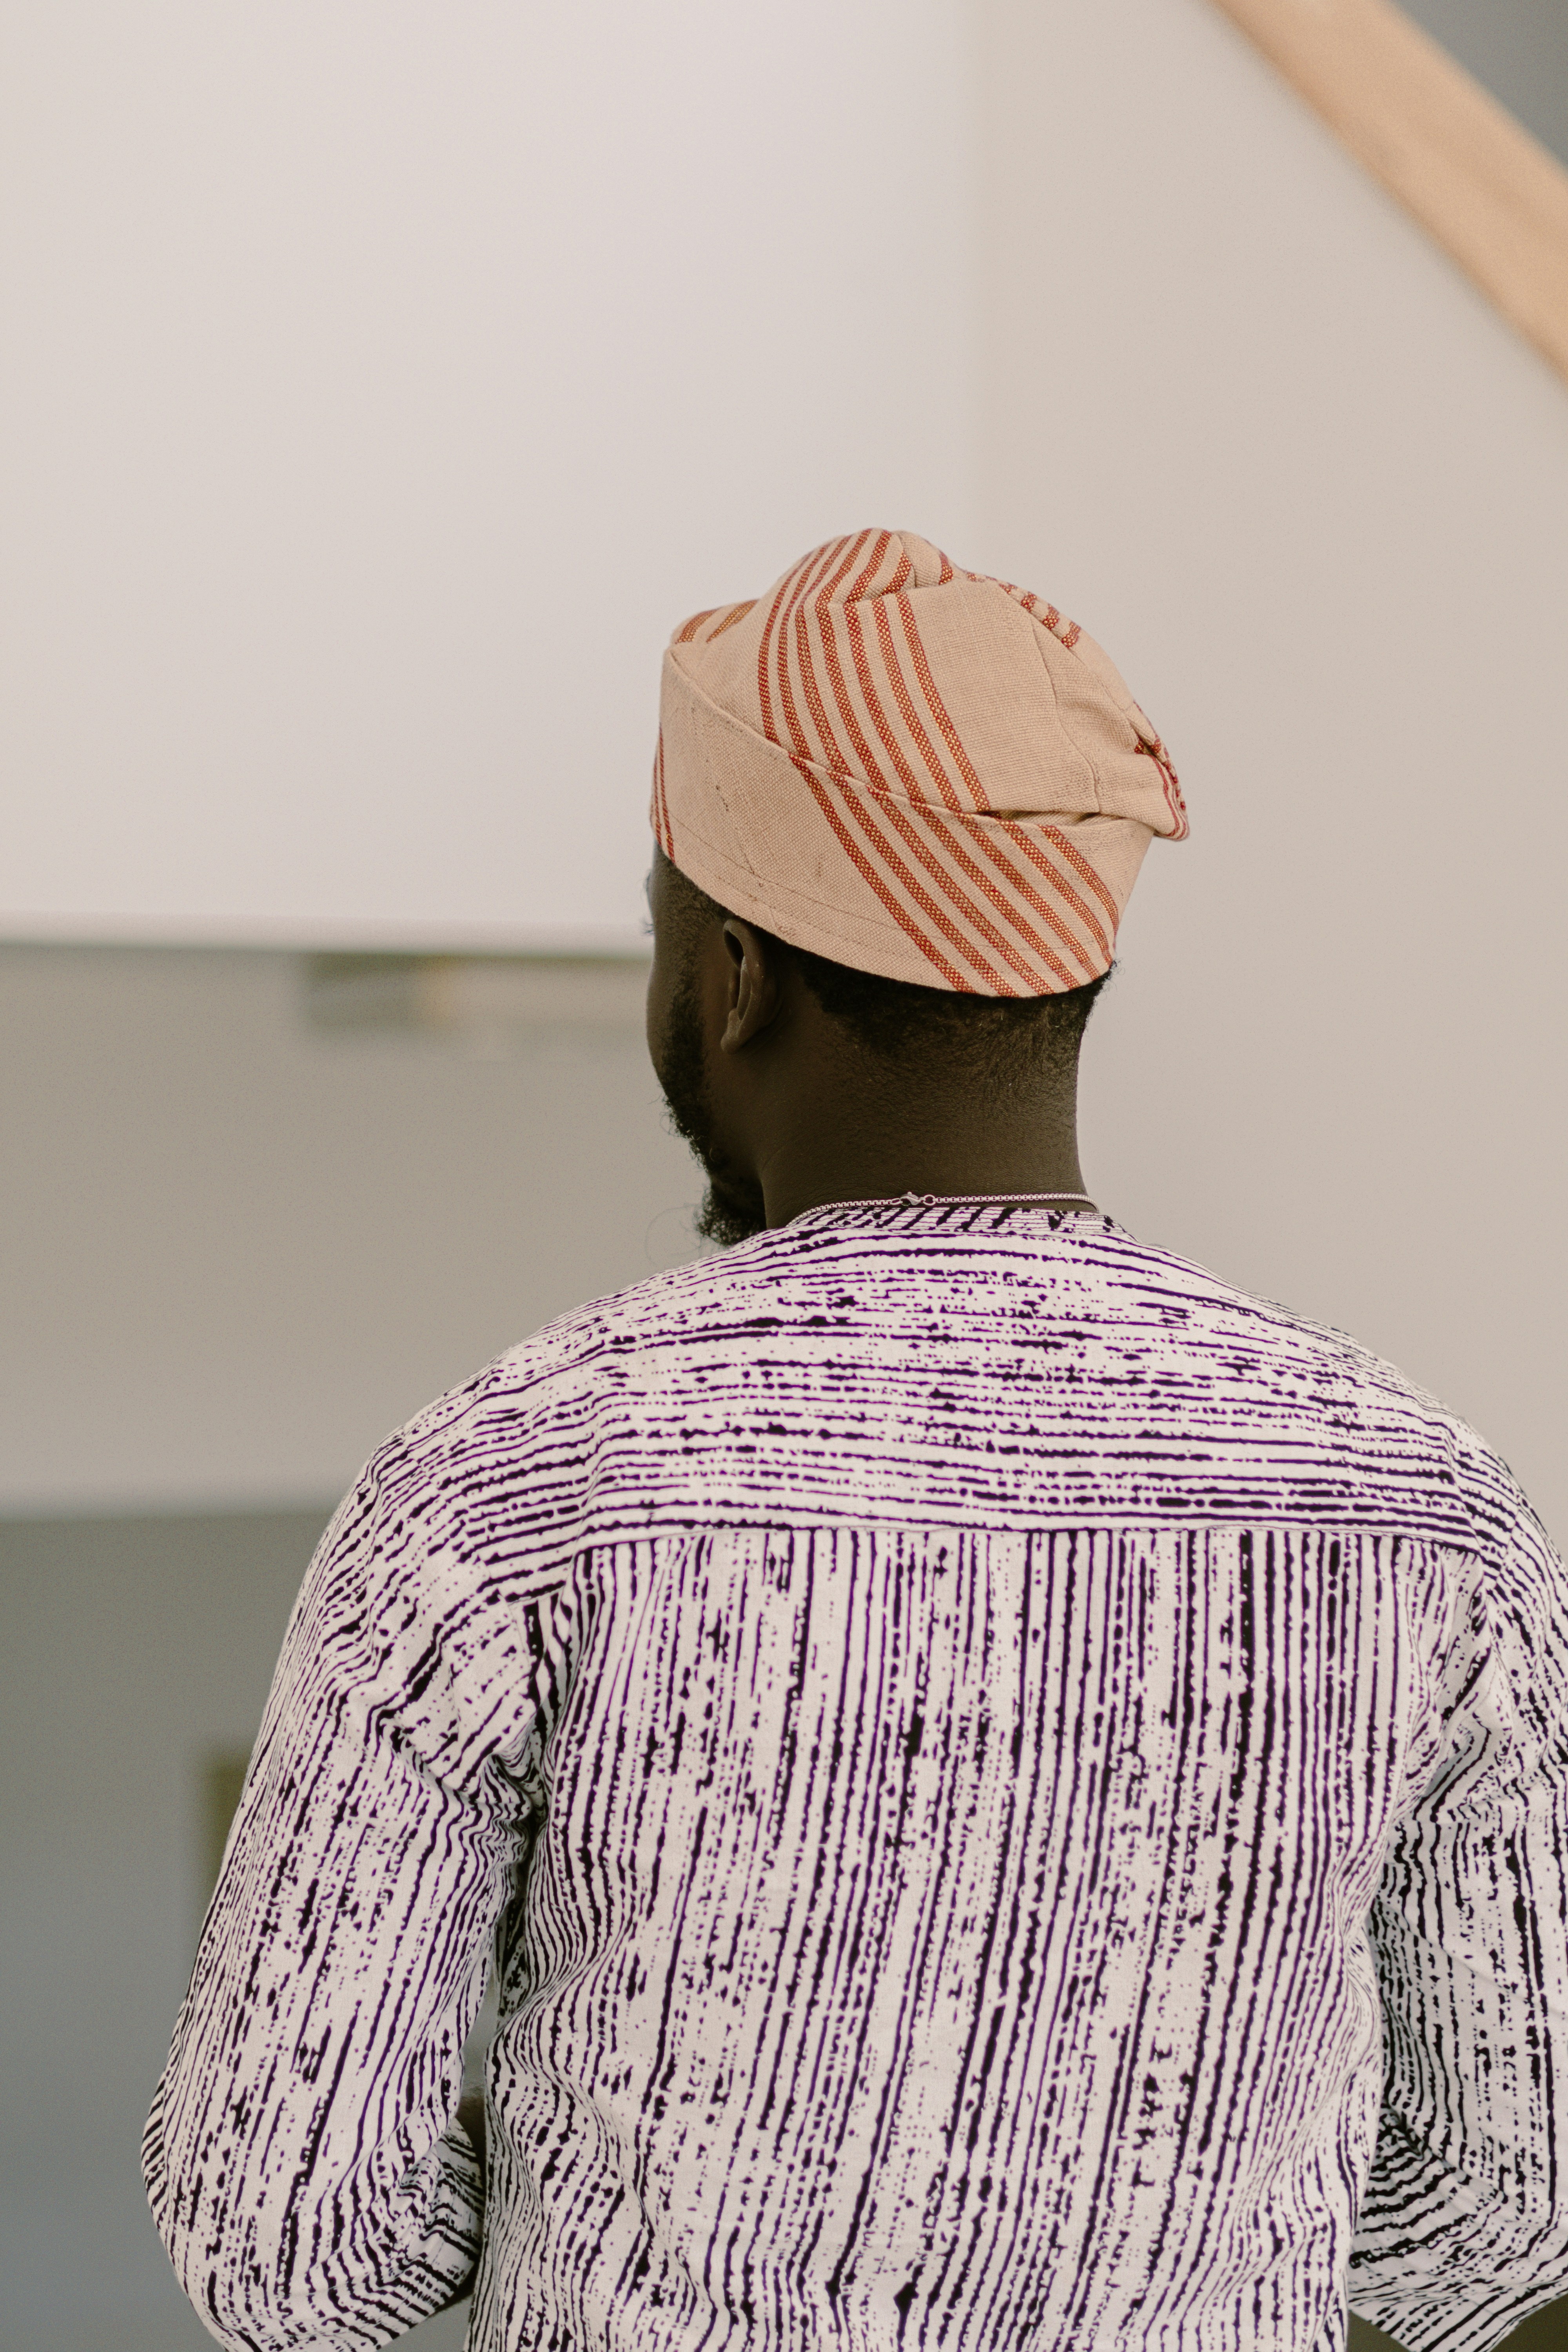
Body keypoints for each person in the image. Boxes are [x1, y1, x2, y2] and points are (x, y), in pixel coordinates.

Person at [145, 530, 1567, 2352]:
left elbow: (286, 2246)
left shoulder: (510, 1486)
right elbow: (1495, 2224)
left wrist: (673, 2193)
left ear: (731, 977)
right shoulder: (1423, 1507)